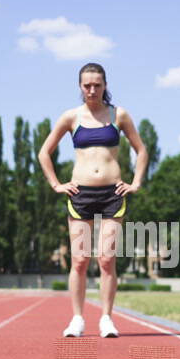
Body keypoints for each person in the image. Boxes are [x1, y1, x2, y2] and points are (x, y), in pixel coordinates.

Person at [37, 62, 148, 338]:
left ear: (105, 85)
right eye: (87, 85)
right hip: (80, 194)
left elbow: (141, 150)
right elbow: (44, 153)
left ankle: (107, 318)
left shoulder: (118, 115)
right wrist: (56, 184)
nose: (92, 89)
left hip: (113, 193)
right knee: (79, 260)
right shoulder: (70, 118)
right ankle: (77, 318)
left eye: (97, 84)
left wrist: (136, 183)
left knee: (107, 258)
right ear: (80, 86)